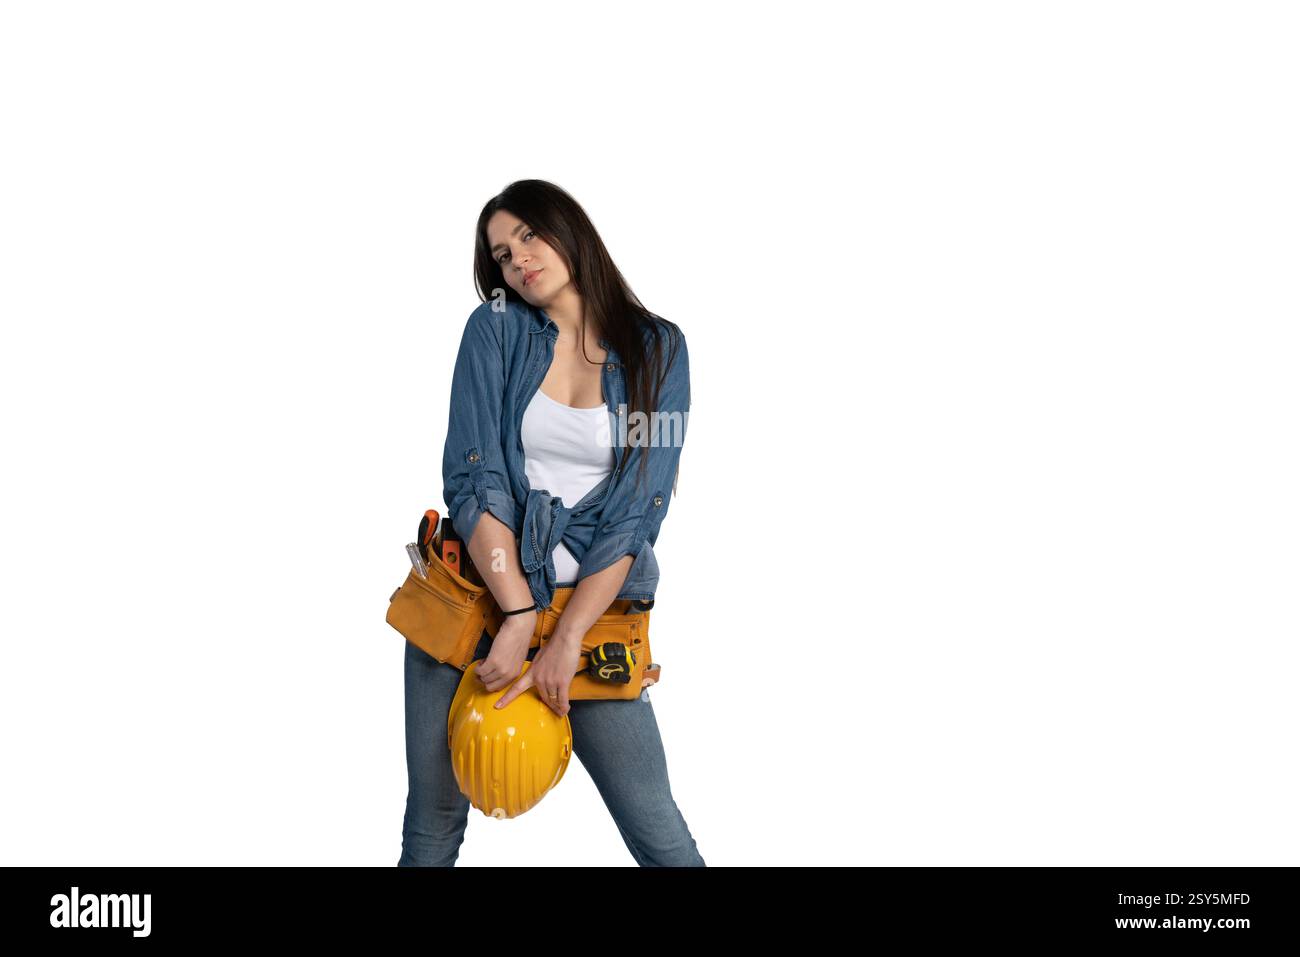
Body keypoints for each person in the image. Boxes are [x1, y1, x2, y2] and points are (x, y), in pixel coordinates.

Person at [398, 179, 706, 867]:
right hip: (475, 605)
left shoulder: (660, 349)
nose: (518, 262)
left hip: (590, 621)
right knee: (432, 828)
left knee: (660, 834)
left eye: (528, 236)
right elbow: (474, 479)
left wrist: (565, 636)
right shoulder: (496, 328)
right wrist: (515, 609)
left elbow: (638, 510)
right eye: (502, 256)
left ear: (569, 228)